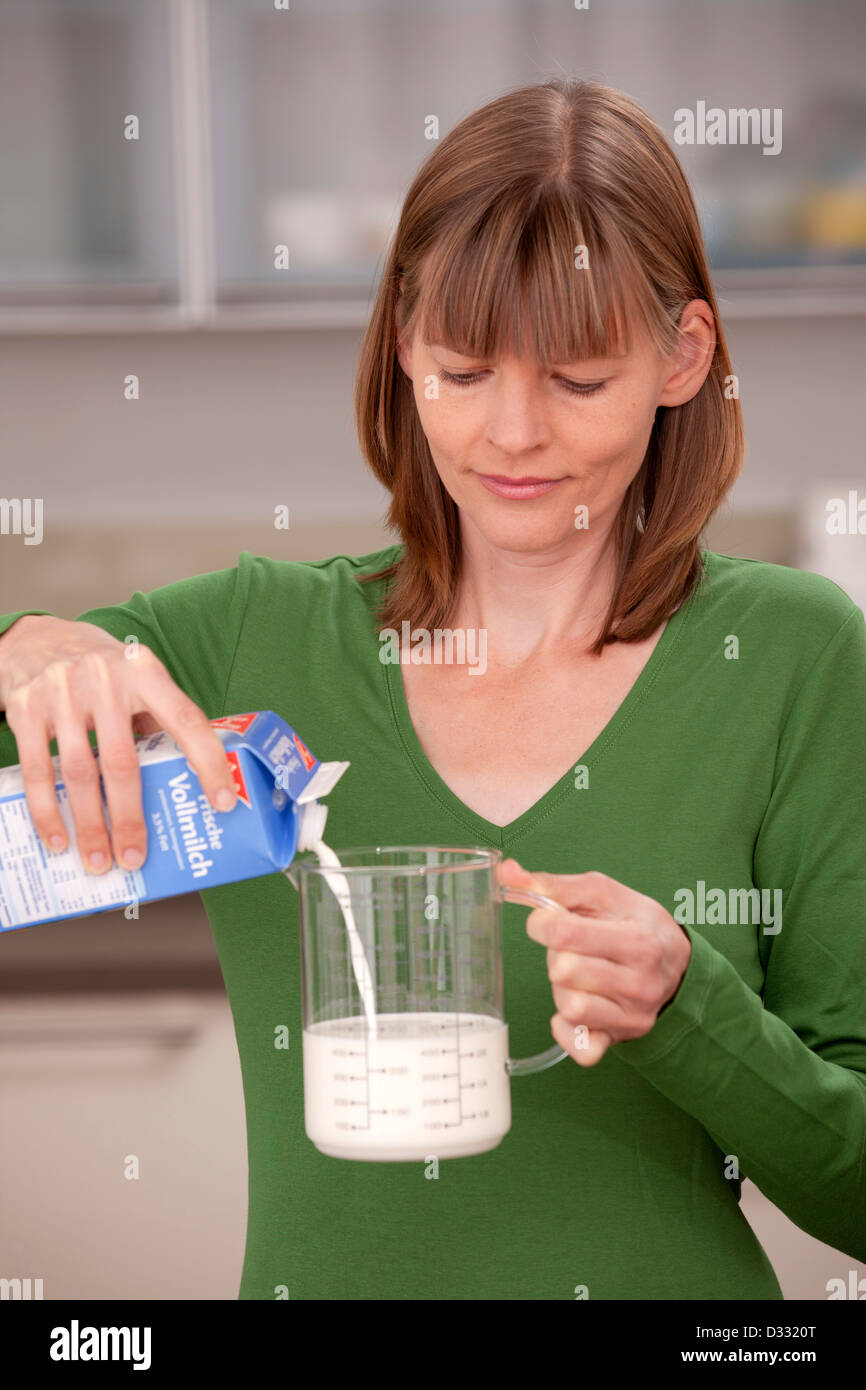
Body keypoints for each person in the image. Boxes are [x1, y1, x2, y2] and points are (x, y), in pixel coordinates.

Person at [1, 78, 864, 1300]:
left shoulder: (789, 655)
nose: (512, 434)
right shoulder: (254, 639)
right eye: (463, 371)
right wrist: (22, 645)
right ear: (402, 342)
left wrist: (689, 1007)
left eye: (574, 381)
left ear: (681, 357)